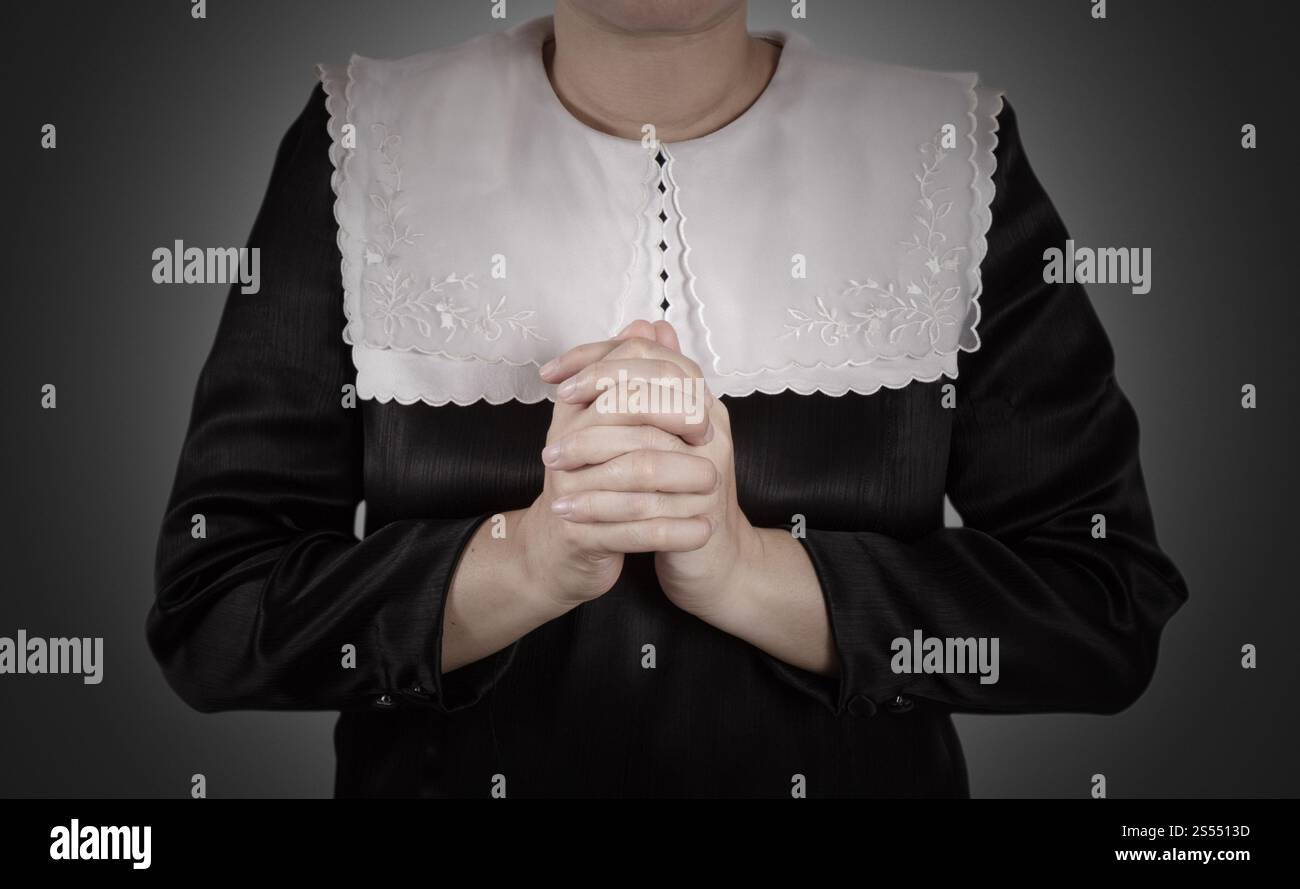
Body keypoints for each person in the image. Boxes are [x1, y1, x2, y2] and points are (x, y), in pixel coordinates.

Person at [148, 1, 1188, 797]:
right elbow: (216, 611)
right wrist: (530, 557)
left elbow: (1099, 608)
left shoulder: (954, 151)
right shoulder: (359, 141)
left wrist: (750, 571)